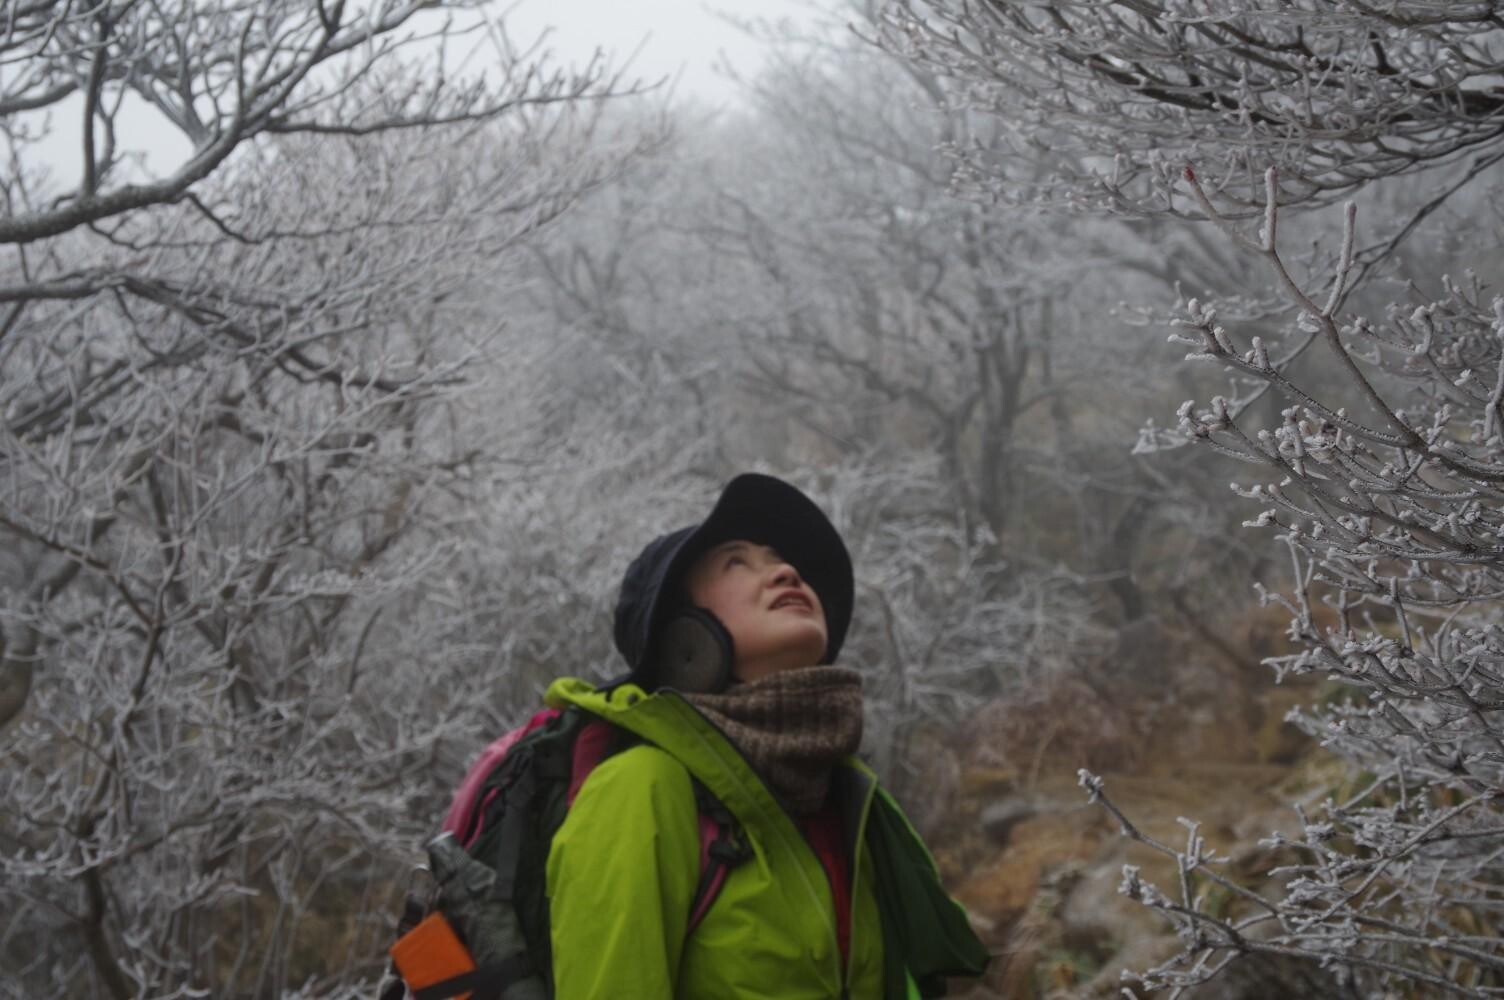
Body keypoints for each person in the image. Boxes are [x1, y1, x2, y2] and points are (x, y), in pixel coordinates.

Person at [542, 473, 988, 998]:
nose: (786, 571)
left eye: (782, 559)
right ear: (685, 638)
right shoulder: (642, 789)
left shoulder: (847, 800)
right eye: (736, 562)